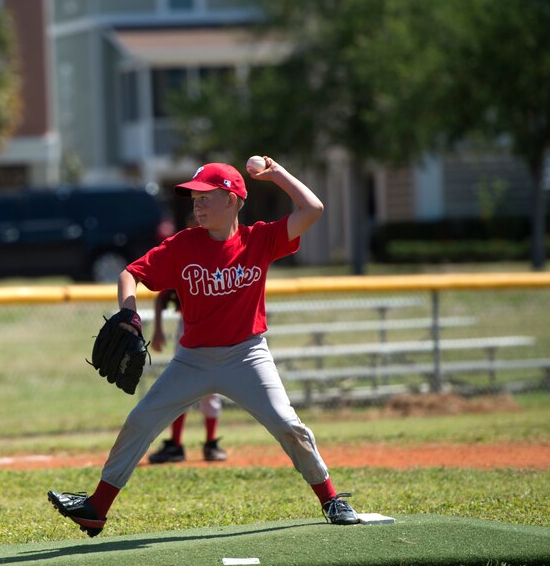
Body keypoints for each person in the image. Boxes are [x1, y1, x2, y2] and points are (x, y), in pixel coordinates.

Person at [49, 159, 359, 536]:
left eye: (205, 196)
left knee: (287, 425)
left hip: (246, 354)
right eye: (193, 196)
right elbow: (130, 274)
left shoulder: (259, 239)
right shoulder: (183, 245)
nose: (196, 203)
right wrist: (129, 315)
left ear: (231, 200)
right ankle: (96, 507)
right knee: (141, 421)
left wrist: (275, 174)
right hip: (192, 360)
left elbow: (313, 209)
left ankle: (330, 499)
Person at [146, 288, 227, 463]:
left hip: (217, 328)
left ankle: (210, 443)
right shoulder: (187, 263)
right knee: (181, 387)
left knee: (211, 388)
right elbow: (162, 296)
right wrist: (158, 330)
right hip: (188, 327)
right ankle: (176, 444)